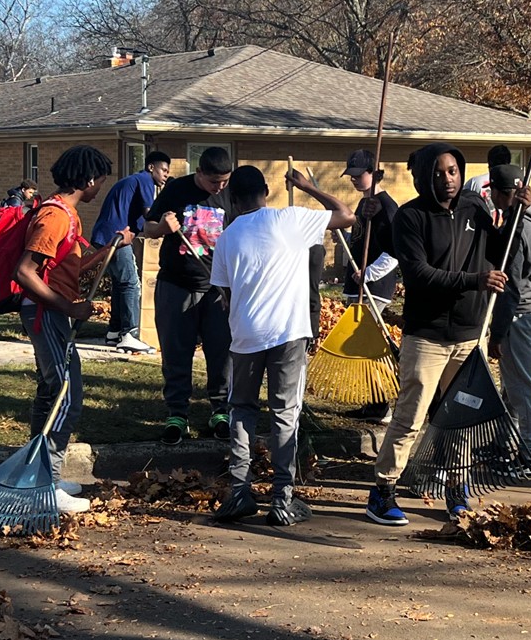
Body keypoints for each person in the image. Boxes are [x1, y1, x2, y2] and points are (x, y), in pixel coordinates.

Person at [365, 142, 506, 526]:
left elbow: (499, 249)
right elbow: (419, 275)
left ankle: (456, 491)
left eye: (453, 171)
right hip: (426, 335)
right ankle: (383, 491)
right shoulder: (411, 218)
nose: (447, 179)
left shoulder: (476, 208)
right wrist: (475, 280)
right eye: (439, 172)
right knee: (410, 416)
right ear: (424, 175)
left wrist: (513, 213)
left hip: (469, 333)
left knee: (460, 416)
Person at [210, 165, 354, 526]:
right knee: (284, 412)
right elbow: (346, 215)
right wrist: (309, 187)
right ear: (266, 192)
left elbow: (225, 294)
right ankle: (281, 498)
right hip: (288, 332)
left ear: (232, 198)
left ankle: (240, 492)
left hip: (245, 336)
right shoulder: (289, 219)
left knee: (241, 409)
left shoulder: (226, 238)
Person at [13, 145, 134, 513]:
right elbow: (24, 271)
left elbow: (69, 270)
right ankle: (44, 484)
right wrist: (69, 307)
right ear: (89, 180)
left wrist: (112, 247)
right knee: (66, 394)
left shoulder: (67, 214)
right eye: (100, 181)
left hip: (51, 311)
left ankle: (40, 476)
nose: (101, 188)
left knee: (53, 391)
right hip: (44, 313)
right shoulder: (55, 218)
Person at [144, 147, 234, 446]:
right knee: (176, 352)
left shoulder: (231, 194)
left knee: (221, 352)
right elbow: (147, 227)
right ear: (200, 173)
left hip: (217, 288)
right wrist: (162, 228)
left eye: (223, 182)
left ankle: (221, 410)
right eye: (213, 183)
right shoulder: (176, 189)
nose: (219, 188)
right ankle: (177, 414)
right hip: (177, 284)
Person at [487, 164, 531, 478]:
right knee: (514, 389)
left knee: (526, 391)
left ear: (503, 193)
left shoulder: (518, 231)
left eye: (494, 193)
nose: (492, 198)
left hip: (522, 315)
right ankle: (505, 446)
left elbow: (510, 286)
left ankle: (530, 456)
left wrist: (496, 334)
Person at [90, 151, 171, 354]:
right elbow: (149, 215)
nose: (166, 175)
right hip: (117, 236)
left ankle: (114, 331)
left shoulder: (133, 181)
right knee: (131, 284)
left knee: (120, 283)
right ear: (151, 167)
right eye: (163, 170)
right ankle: (130, 335)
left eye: (168, 172)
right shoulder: (144, 180)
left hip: (106, 234)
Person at [340, 149, 400, 423]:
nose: (354, 180)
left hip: (374, 288)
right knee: (363, 348)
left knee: (372, 347)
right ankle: (371, 404)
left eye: (359, 175)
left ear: (375, 174)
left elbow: (395, 251)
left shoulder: (386, 206)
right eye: (350, 176)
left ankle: (381, 406)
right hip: (357, 286)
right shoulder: (364, 205)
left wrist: (369, 274)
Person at [463, 144, 512, 223]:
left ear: (489, 163)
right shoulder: (514, 183)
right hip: (506, 230)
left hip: (480, 229)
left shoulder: (474, 182)